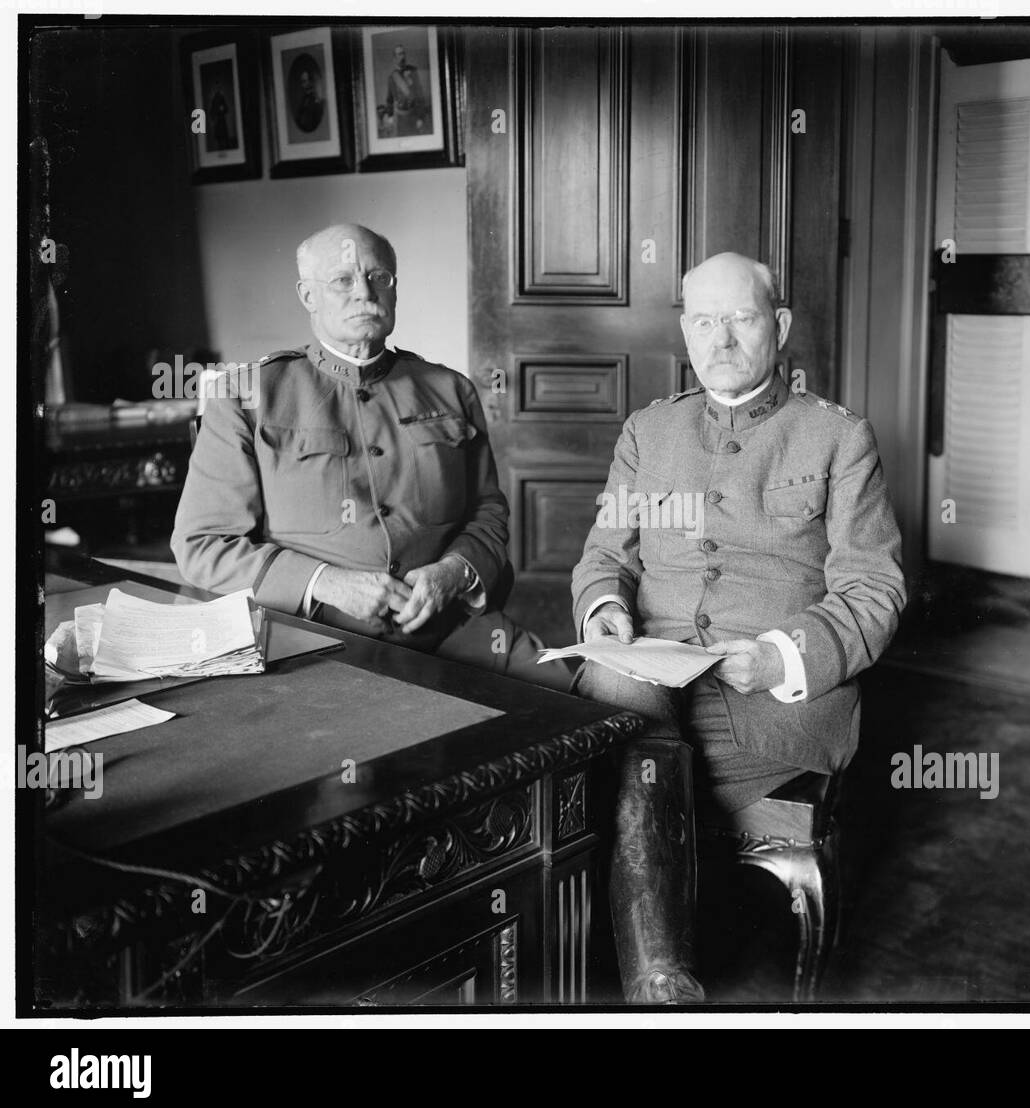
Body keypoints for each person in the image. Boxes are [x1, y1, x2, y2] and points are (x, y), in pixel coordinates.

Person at [571, 251, 907, 1002]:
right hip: (644, 678)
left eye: (742, 318)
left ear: (780, 326)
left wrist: (779, 655)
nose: (720, 339)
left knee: (613, 738)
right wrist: (608, 611)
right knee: (614, 677)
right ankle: (661, 983)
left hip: (767, 710)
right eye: (703, 320)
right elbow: (603, 560)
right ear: (684, 331)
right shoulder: (647, 432)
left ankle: (644, 979)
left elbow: (876, 590)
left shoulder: (838, 438)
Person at [172, 223, 569, 690]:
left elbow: (488, 512)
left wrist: (453, 572)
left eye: (379, 278)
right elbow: (203, 545)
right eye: (343, 280)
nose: (364, 292)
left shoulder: (450, 389)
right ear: (308, 296)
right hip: (310, 641)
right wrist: (324, 582)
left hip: (450, 629)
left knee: (574, 697)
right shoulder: (247, 395)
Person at [383, 44, 427, 137]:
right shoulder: (392, 78)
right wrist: (390, 116)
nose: (402, 56)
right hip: (400, 118)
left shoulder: (413, 71)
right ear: (394, 58)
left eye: (403, 53)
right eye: (399, 54)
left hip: (413, 115)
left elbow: (420, 94)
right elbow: (389, 99)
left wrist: (420, 117)